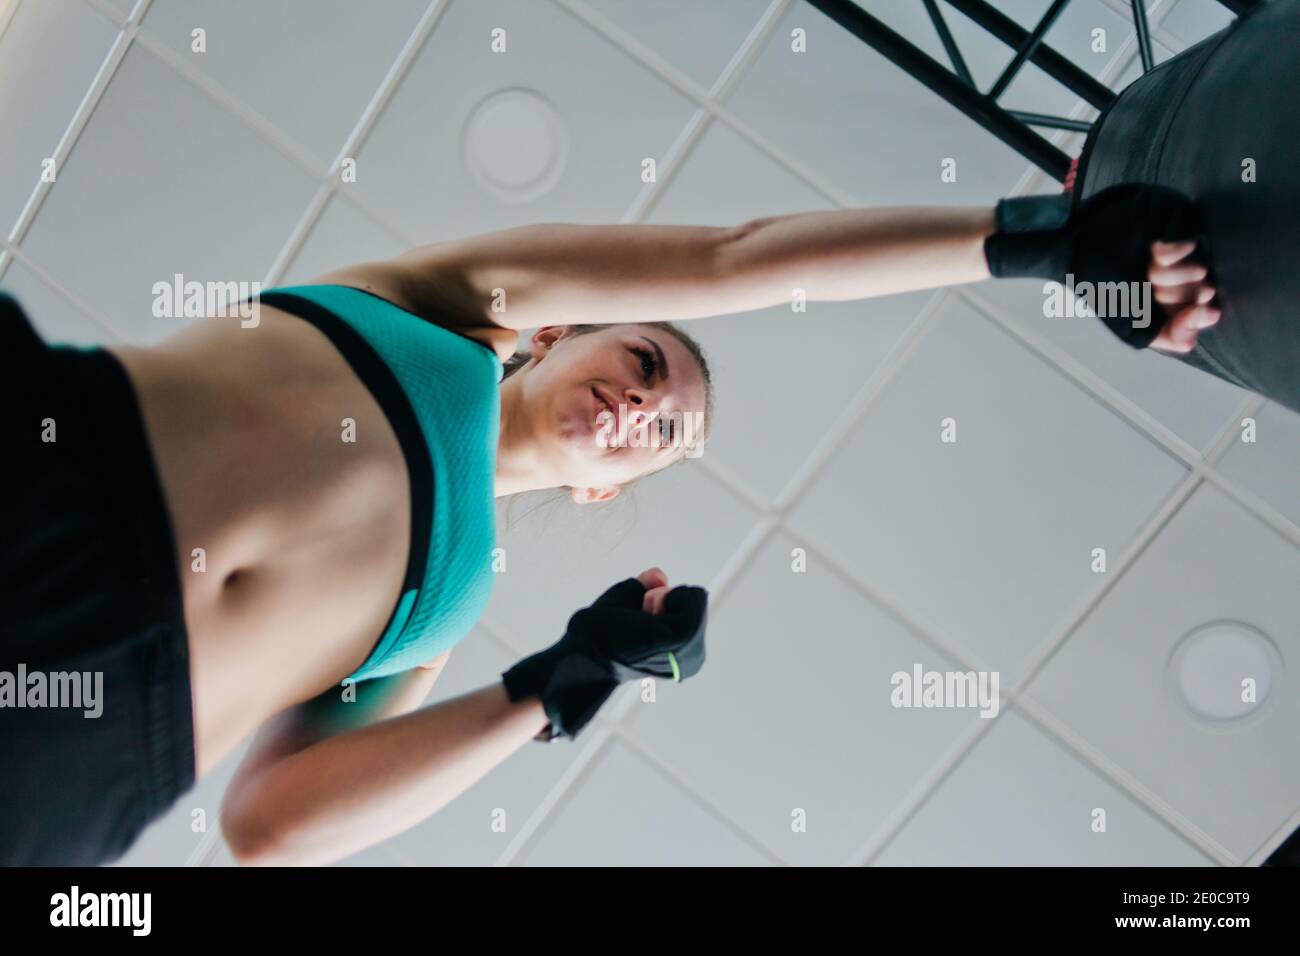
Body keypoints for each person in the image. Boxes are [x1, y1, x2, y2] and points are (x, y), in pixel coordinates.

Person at [0, 184, 1217, 866]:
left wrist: (558, 682)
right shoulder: (446, 309)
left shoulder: (449, 602)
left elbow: (272, 824)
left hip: (93, 745)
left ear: (605, 493)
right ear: (559, 331)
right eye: (642, 364)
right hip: (49, 481)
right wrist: (1034, 242)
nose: (640, 405)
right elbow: (740, 253)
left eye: (663, 431)